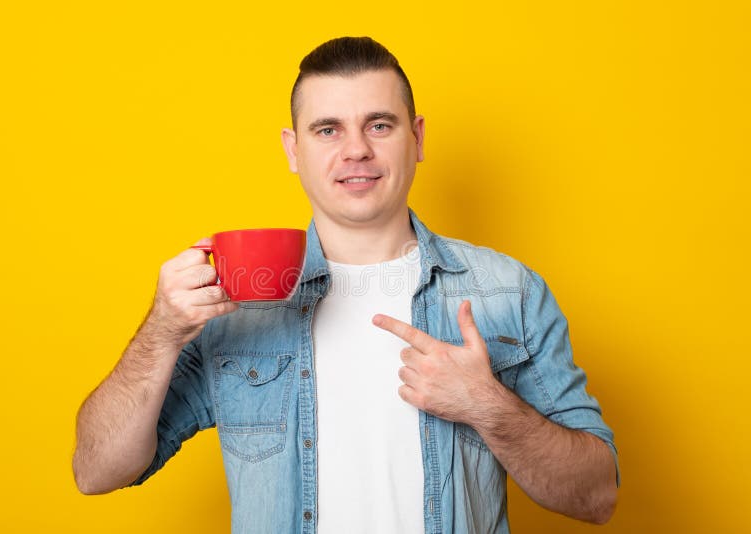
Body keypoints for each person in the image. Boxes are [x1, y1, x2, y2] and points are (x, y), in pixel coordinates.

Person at [73, 36, 619, 533]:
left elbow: (596, 496)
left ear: (418, 137)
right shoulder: (237, 307)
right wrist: (162, 332)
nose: (356, 149)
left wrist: (487, 405)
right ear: (293, 149)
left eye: (379, 124)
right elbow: (97, 470)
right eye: (327, 129)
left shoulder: (508, 293)